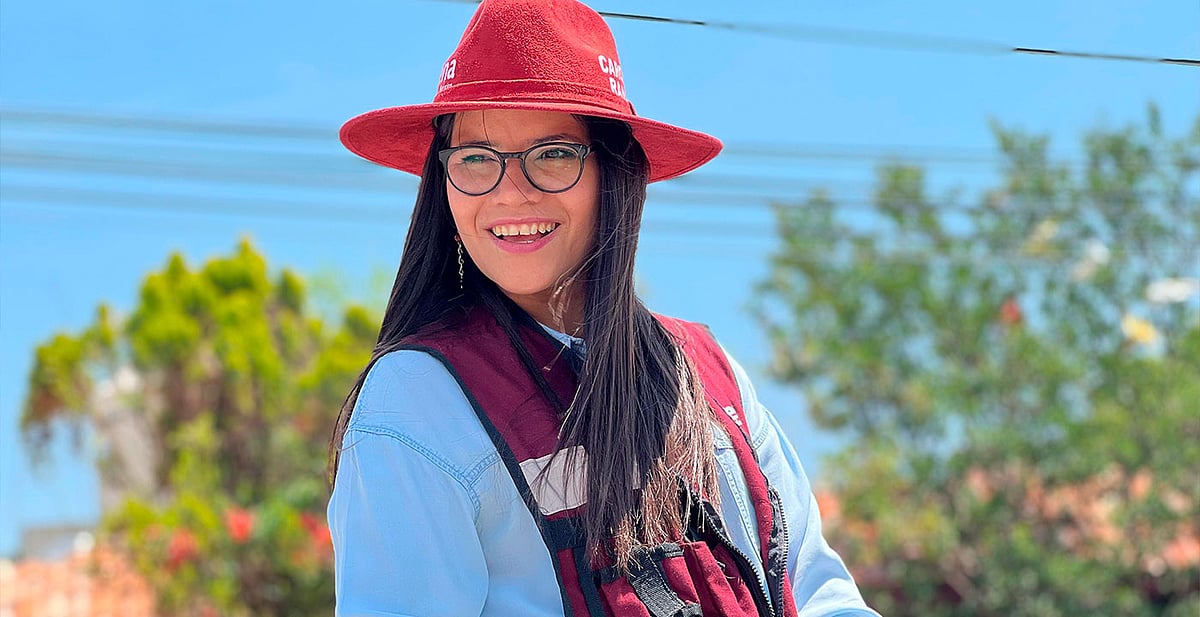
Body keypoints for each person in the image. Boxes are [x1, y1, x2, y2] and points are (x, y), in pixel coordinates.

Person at [327, 1, 878, 615]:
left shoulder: (710, 375)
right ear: (444, 178)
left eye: (554, 154)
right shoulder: (417, 400)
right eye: (476, 157)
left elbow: (822, 594)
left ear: (616, 174)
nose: (511, 192)